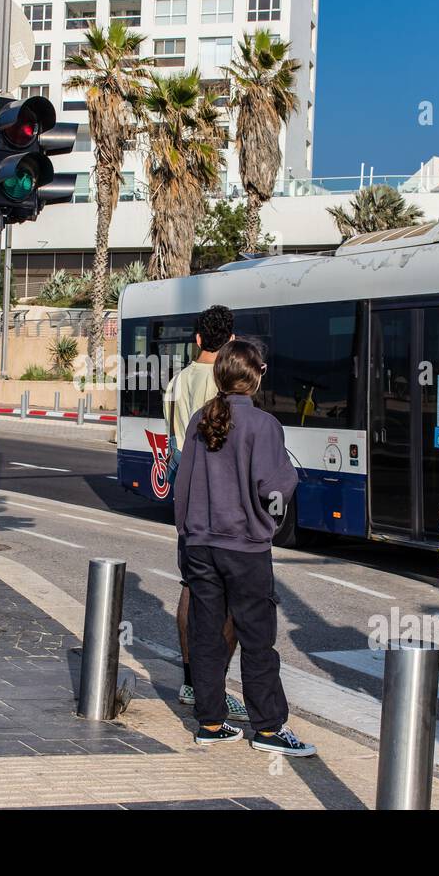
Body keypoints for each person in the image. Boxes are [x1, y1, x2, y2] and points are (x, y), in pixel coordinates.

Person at [174, 339, 315, 756]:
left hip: (199, 544)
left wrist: (187, 537)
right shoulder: (263, 425)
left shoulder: (201, 418)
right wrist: (272, 514)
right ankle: (269, 729)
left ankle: (211, 722)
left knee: (206, 635)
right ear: (256, 377)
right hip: (245, 548)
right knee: (257, 639)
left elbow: (182, 488)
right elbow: (273, 488)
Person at [164, 305, 248, 722]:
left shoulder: (178, 380)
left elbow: (173, 438)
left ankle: (190, 678)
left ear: (197, 339)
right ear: (230, 340)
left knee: (190, 583)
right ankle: (212, 686)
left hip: (185, 482)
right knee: (227, 591)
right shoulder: (223, 383)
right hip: (216, 488)